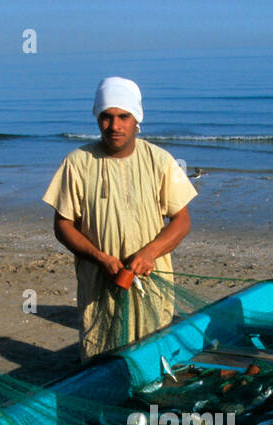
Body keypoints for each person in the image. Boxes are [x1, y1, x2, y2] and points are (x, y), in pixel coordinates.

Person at [43, 77, 196, 361]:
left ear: (136, 118)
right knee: (103, 353)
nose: (115, 126)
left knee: (154, 351)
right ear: (97, 118)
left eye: (123, 116)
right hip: (100, 281)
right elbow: (63, 225)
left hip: (150, 279)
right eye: (106, 117)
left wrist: (150, 253)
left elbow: (182, 220)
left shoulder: (160, 160)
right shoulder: (76, 163)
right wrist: (100, 258)